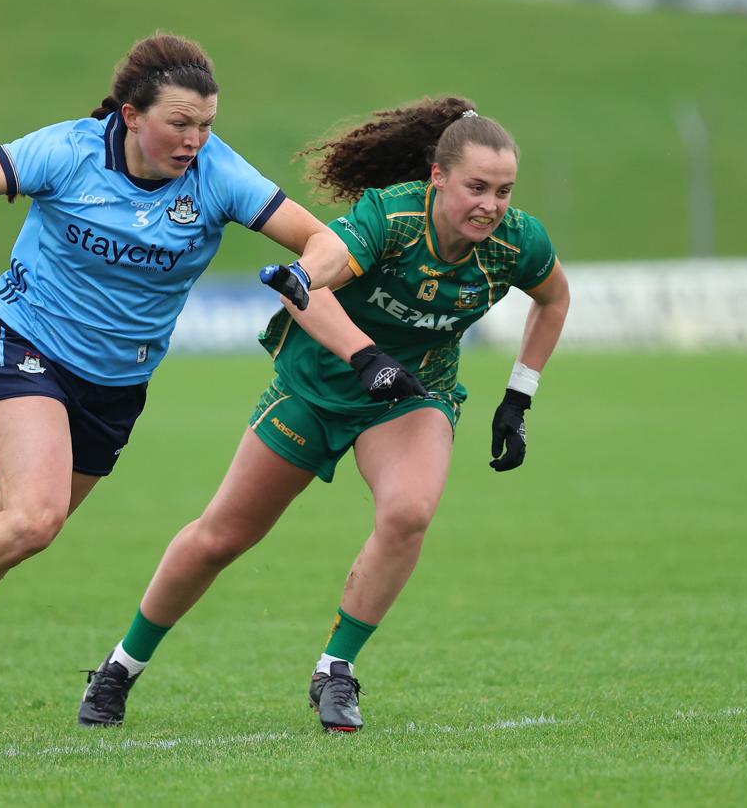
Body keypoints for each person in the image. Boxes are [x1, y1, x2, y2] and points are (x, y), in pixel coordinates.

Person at [0, 31, 351, 725]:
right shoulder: (70, 151)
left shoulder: (218, 175)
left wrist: (303, 274)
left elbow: (330, 243)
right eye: (179, 123)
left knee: (10, 528)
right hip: (25, 343)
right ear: (131, 117)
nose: (195, 139)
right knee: (35, 517)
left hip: (114, 388)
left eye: (206, 125)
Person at [78, 95, 571, 731]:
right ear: (438, 178)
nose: (491, 205)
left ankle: (336, 670)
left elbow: (553, 300)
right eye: (476, 187)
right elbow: (309, 281)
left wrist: (518, 397)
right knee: (223, 536)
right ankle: (121, 667)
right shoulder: (389, 219)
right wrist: (338, 319)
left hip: (410, 395)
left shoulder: (516, 242)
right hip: (314, 387)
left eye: (503, 190)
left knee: (409, 511)